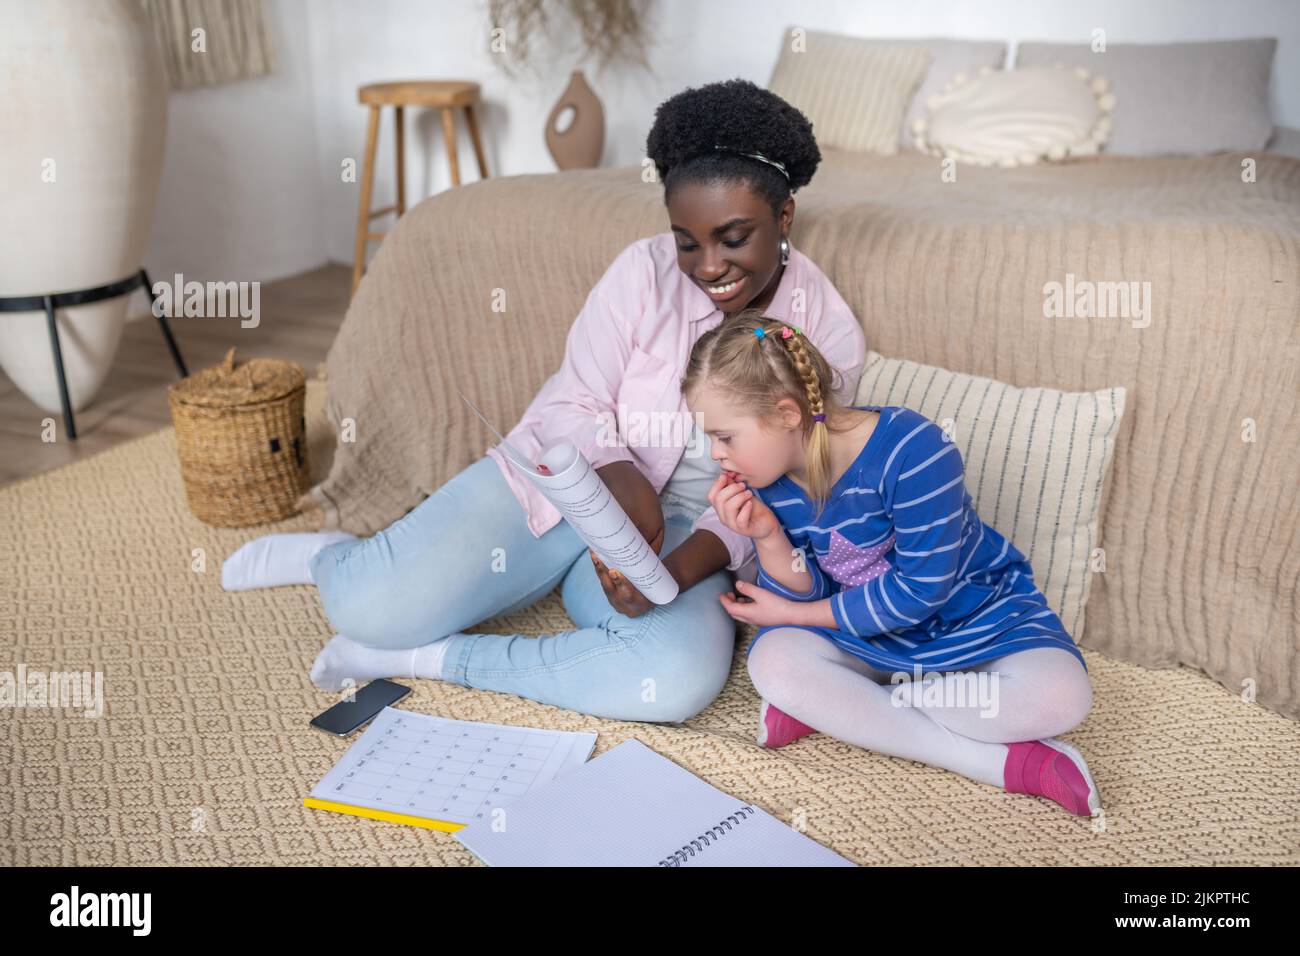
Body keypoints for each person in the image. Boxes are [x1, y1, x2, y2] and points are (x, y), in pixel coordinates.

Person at [220, 79, 866, 724]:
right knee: (365, 607)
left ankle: (431, 658)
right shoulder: (642, 272)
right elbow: (575, 400)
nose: (708, 267)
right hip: (568, 483)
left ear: (784, 217)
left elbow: (794, 491)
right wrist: (617, 473)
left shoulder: (827, 337)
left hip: (684, 534)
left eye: (734, 237)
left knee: (670, 680)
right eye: (687, 241)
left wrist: (676, 567)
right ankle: (333, 556)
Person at [681, 310, 1101, 817]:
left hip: (977, 616)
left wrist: (793, 616)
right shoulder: (766, 480)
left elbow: (920, 591)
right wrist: (767, 536)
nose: (716, 454)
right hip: (868, 636)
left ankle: (850, 707)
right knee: (772, 663)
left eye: (725, 437)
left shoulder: (915, 449)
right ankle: (992, 763)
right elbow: (806, 595)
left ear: (787, 415)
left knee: (1062, 697)